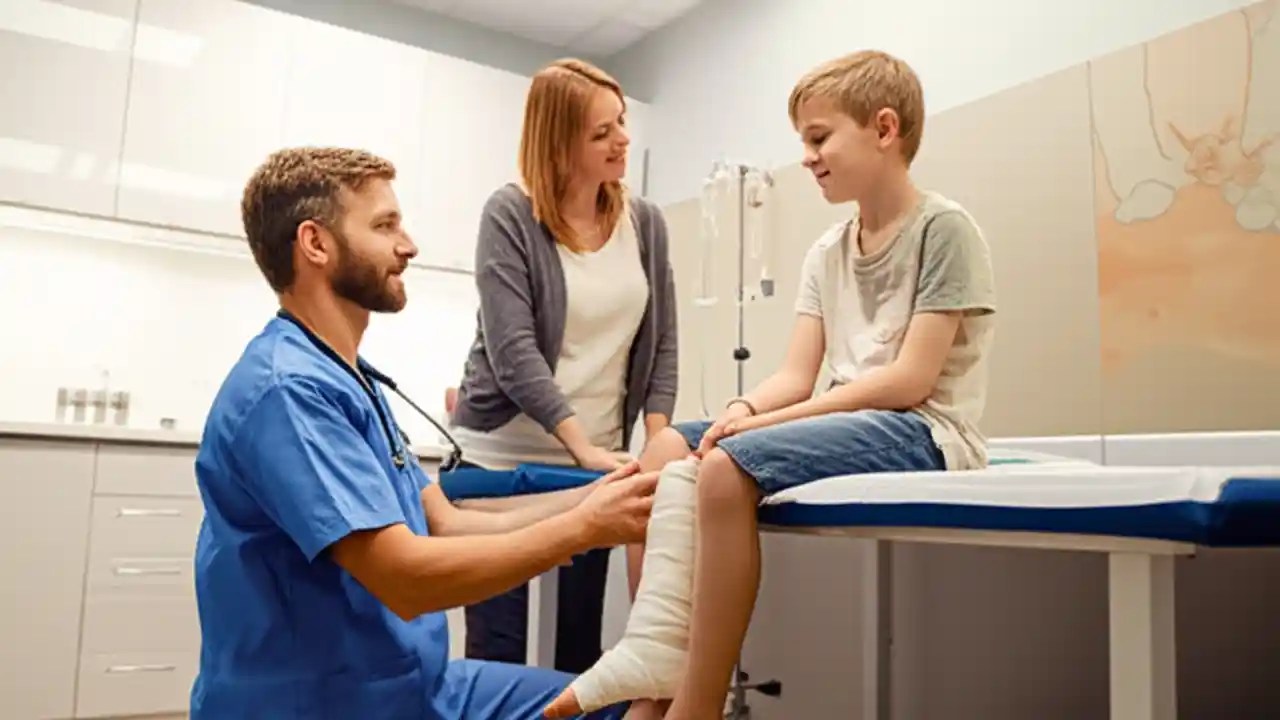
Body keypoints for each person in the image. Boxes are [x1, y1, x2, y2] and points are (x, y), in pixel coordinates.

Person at [544, 49, 999, 719]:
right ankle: (656, 680)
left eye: (819, 139)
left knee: (725, 469)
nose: (807, 158)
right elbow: (794, 376)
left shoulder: (944, 230)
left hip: (926, 429)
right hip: (851, 418)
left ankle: (695, 706)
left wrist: (757, 429)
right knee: (663, 453)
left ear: (884, 128)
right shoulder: (828, 251)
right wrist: (742, 407)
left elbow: (908, 381)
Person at [189, 146, 657, 720]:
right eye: (385, 225)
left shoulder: (350, 379)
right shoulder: (287, 392)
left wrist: (606, 497)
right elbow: (406, 578)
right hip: (320, 705)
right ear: (315, 243)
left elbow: (447, 522)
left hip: (415, 688)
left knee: (624, 701)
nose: (407, 245)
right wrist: (584, 528)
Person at [443, 57, 678, 675]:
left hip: (591, 472)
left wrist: (659, 447)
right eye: (602, 132)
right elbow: (513, 351)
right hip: (501, 465)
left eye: (621, 122)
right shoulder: (511, 214)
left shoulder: (644, 223)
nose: (622, 139)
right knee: (501, 654)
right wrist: (582, 446)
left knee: (573, 656)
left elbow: (662, 344)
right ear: (559, 143)